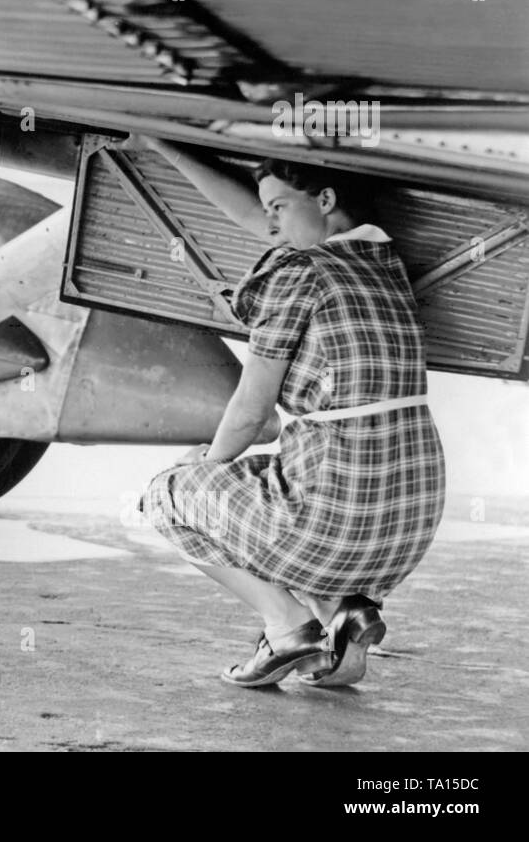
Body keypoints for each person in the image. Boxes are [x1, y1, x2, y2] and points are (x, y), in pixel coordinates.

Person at [135, 135, 445, 688]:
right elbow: (266, 220)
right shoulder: (383, 261)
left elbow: (251, 412)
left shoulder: (300, 273)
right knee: (283, 488)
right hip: (409, 524)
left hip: (337, 520)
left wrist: (205, 467)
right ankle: (342, 611)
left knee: (168, 496)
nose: (269, 222)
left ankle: (287, 629)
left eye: (278, 208)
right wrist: (166, 149)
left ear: (324, 200)